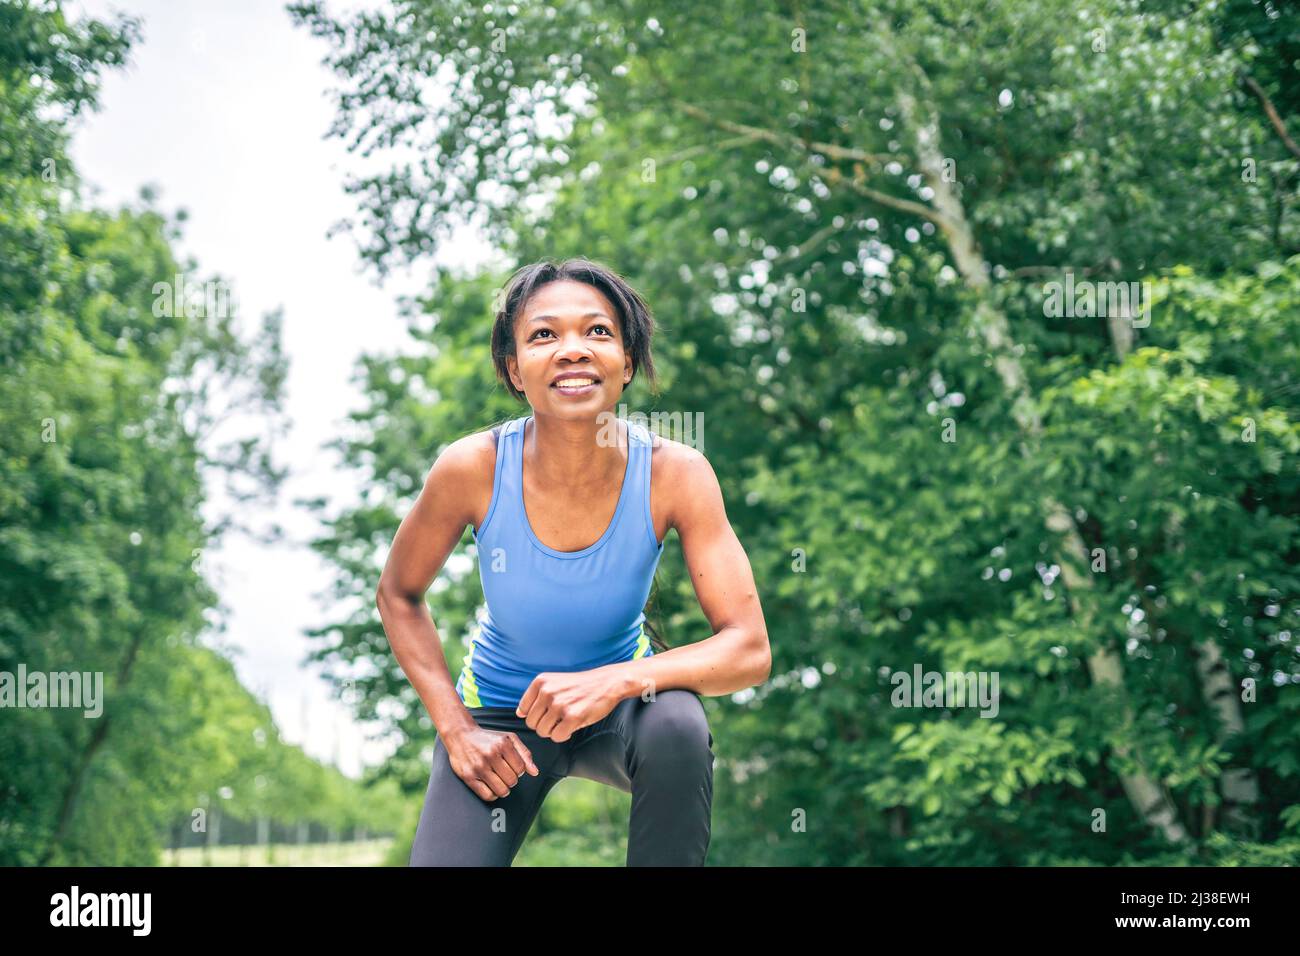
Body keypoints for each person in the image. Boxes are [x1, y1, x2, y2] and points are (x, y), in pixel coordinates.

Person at [376, 257, 771, 866]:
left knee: (677, 723)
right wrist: (457, 729)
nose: (573, 350)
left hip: (622, 710)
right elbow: (399, 594)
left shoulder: (676, 474)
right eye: (543, 335)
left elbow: (748, 649)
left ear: (628, 361)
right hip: (499, 725)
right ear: (514, 369)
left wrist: (614, 681)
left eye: (598, 332)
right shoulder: (471, 467)